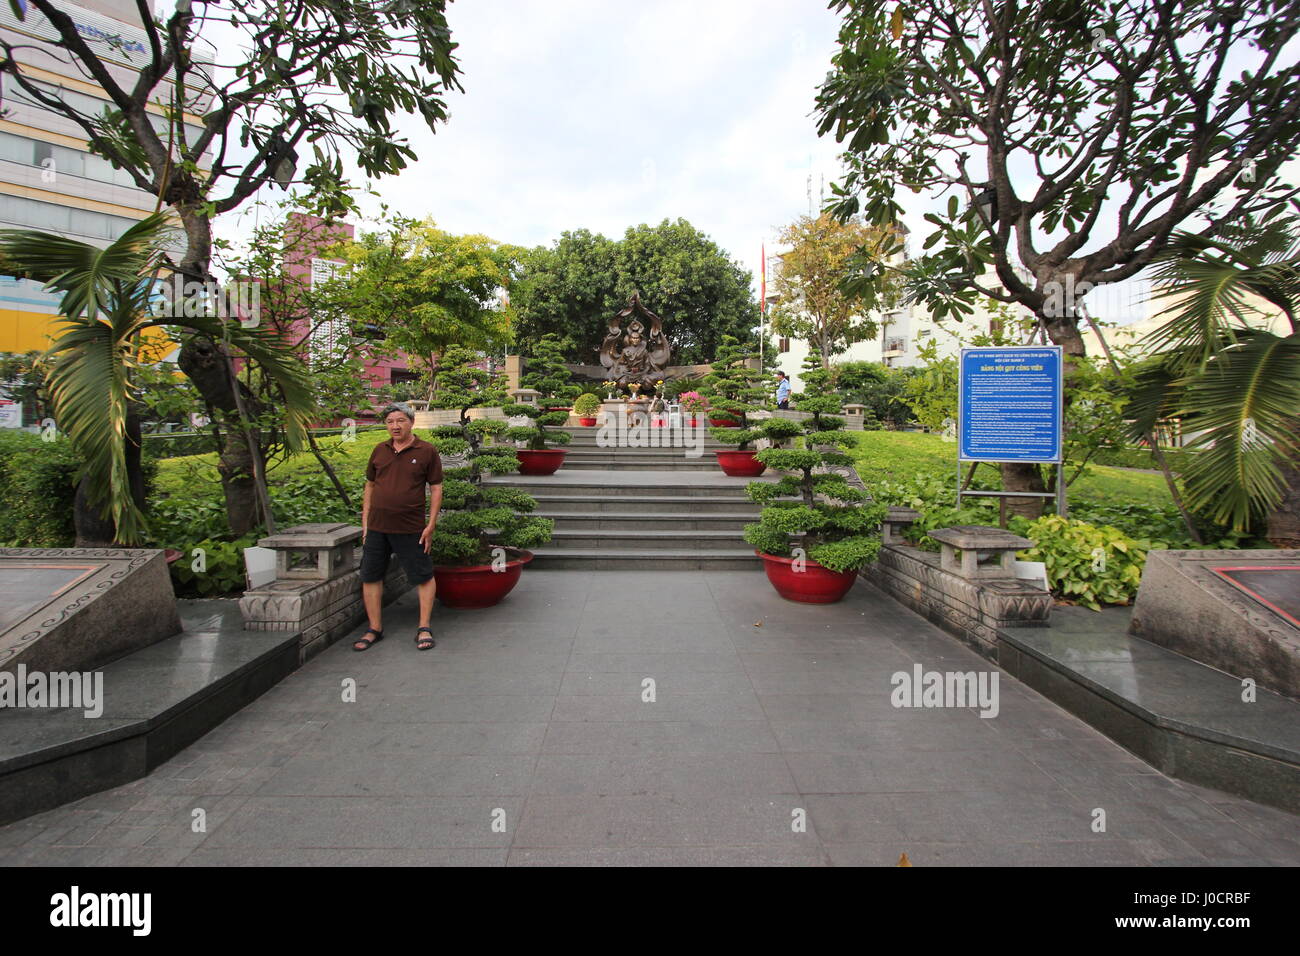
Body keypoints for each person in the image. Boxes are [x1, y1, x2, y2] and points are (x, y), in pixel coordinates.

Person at [354, 403, 443, 652]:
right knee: (370, 575)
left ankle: (424, 626)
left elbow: (436, 488)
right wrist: (365, 522)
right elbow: (370, 486)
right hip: (377, 527)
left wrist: (431, 524)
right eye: (390, 421)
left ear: (411, 422)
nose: (395, 425)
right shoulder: (379, 450)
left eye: (400, 420)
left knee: (423, 575)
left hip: (411, 526)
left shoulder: (426, 451)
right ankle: (374, 628)